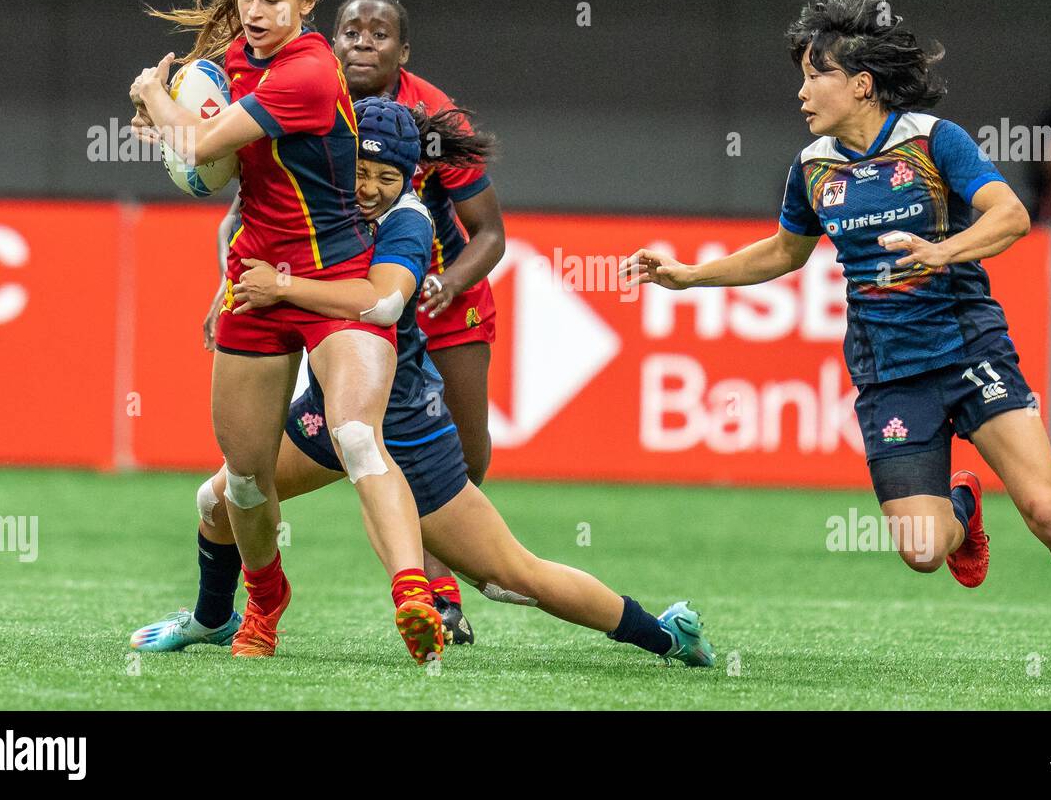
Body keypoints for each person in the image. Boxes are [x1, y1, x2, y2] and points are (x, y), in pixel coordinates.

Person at [621, 0, 1051, 687]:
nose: (804, 91)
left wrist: (943, 250)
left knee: (1048, 513)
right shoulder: (812, 168)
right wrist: (689, 277)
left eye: (818, 74)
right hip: (890, 376)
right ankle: (962, 508)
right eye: (803, 76)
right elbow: (784, 253)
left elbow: (1012, 217)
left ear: (862, 84)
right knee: (923, 550)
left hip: (970, 354)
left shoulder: (936, 141)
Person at [132, 98, 713, 670]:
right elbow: (238, 154)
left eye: (386, 176)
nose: (368, 187)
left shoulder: (410, 221)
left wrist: (283, 289)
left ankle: (664, 635)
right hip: (330, 409)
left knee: (511, 577)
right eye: (360, 170)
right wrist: (168, 119)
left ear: (408, 177)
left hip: (407, 423)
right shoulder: (323, 197)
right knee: (220, 499)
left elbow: (380, 305)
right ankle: (214, 618)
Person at [131, 0, 436, 662]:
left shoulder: (306, 70)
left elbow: (198, 142)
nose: (256, 13)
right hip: (256, 286)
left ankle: (413, 593)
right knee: (242, 480)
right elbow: (215, 174)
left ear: (308, 6)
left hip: (331, 276)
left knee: (359, 433)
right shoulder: (234, 61)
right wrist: (177, 137)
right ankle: (263, 604)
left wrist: (154, 96)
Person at [202, 0, 505, 642]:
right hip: (346, 290)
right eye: (351, 31)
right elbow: (256, 204)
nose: (363, 43)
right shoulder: (310, 92)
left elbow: (490, 234)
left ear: (404, 49)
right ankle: (417, 592)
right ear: (332, 38)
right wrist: (226, 288)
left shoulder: (431, 114)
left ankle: (441, 585)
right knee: (350, 439)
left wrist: (448, 283)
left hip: (437, 298)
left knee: (464, 457)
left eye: (379, 34)